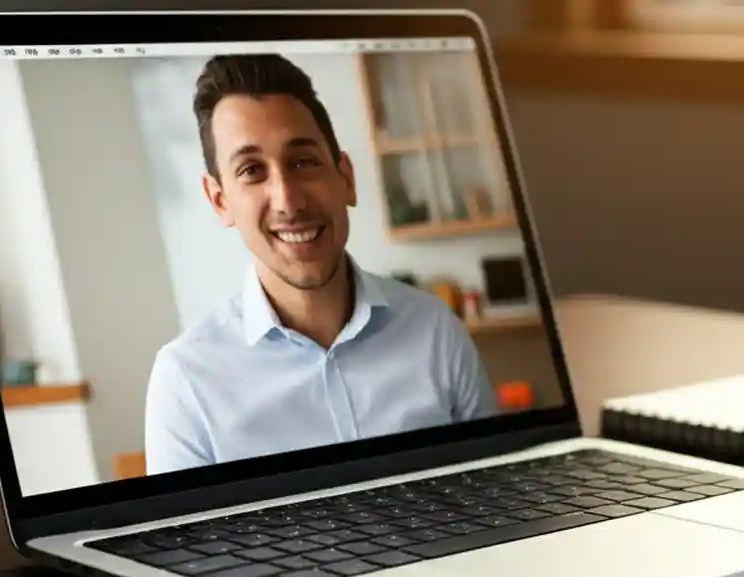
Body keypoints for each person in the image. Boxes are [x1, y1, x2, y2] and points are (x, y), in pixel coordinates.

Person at [144, 53, 497, 474]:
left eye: (303, 162)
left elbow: (498, 490)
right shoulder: (185, 379)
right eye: (252, 170)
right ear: (221, 201)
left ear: (345, 178)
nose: (289, 200)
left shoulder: (436, 329)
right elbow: (188, 540)